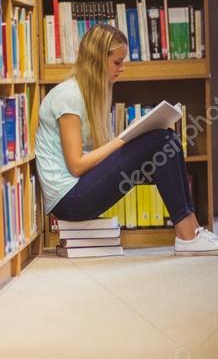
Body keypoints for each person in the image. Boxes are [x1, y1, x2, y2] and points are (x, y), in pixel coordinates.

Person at [35, 22, 218, 255]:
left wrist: (132, 136)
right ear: (97, 60)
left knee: (168, 139)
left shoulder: (92, 94)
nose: (121, 68)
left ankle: (191, 230)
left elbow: (100, 156)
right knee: (161, 141)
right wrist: (124, 139)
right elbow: (77, 165)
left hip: (79, 190)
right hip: (69, 201)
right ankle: (186, 235)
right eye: (117, 62)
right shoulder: (68, 96)